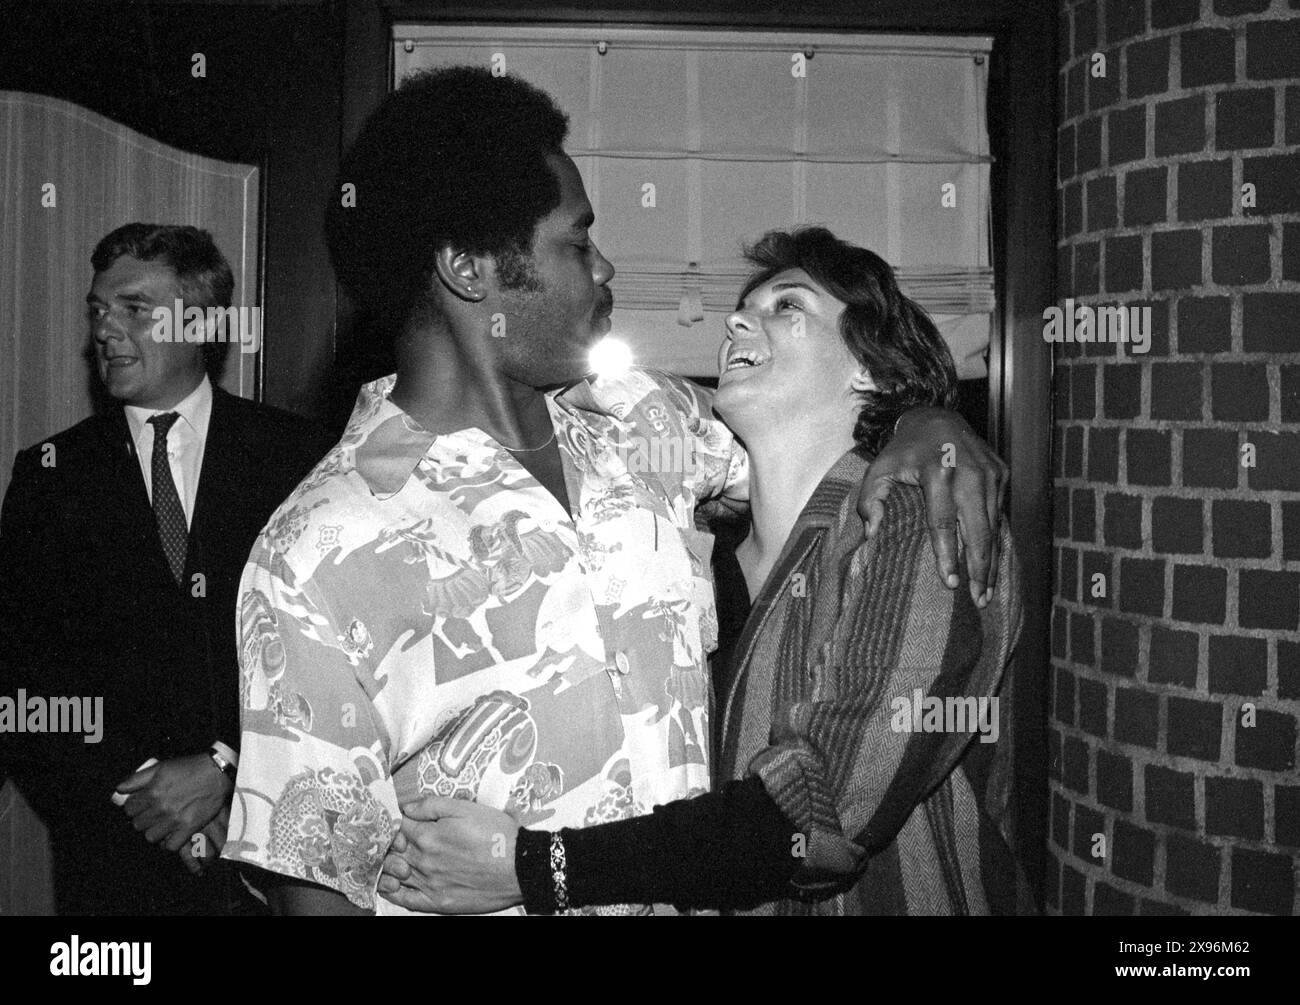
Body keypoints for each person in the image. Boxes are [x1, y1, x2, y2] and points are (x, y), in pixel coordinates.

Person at [219, 67, 1009, 916]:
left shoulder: (649, 421)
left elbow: (825, 449)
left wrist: (932, 420)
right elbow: (316, 885)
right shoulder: (314, 549)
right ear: (469, 269)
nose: (606, 265)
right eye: (575, 240)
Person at [376, 228, 1030, 916]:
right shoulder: (699, 561)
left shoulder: (921, 513)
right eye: (744, 308)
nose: (739, 320)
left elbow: (818, 811)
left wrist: (536, 866)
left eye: (788, 306)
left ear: (871, 371)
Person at [0, 223, 334, 915]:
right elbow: (24, 681)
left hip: (275, 863)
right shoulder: (49, 476)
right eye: (98, 311)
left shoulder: (298, 458)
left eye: (134, 309)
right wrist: (146, 793)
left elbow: (332, 656)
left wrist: (225, 770)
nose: (107, 330)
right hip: (115, 869)